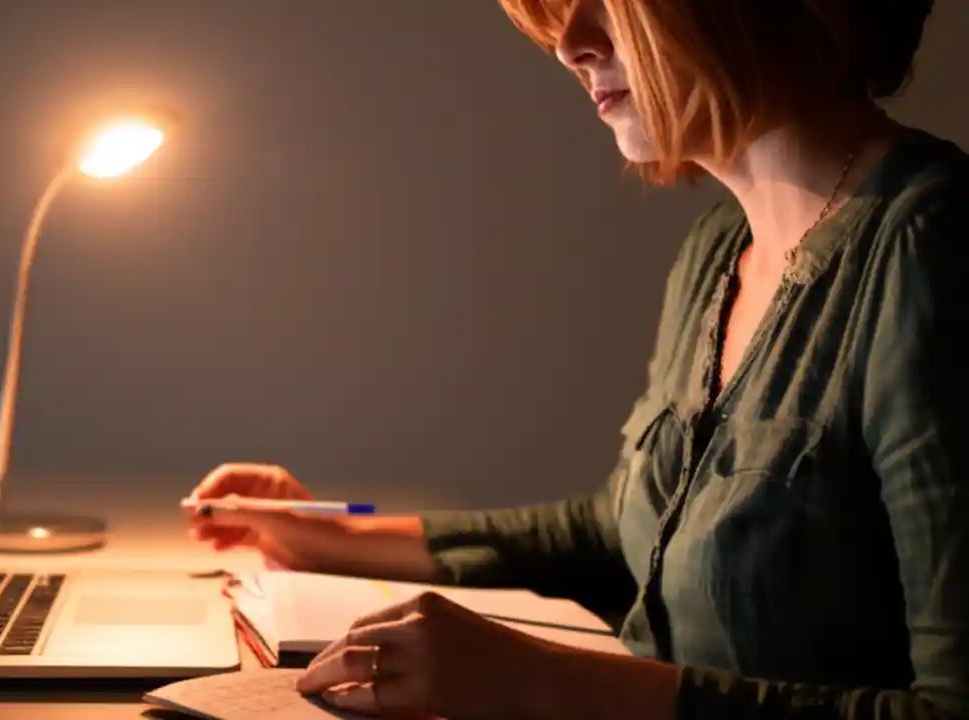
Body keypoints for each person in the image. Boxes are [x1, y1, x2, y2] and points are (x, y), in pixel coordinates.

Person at [183, 0, 968, 717]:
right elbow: (618, 531)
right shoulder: (720, 251)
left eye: (609, 6)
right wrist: (325, 536)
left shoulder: (931, 250)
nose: (570, 45)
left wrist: (540, 681)